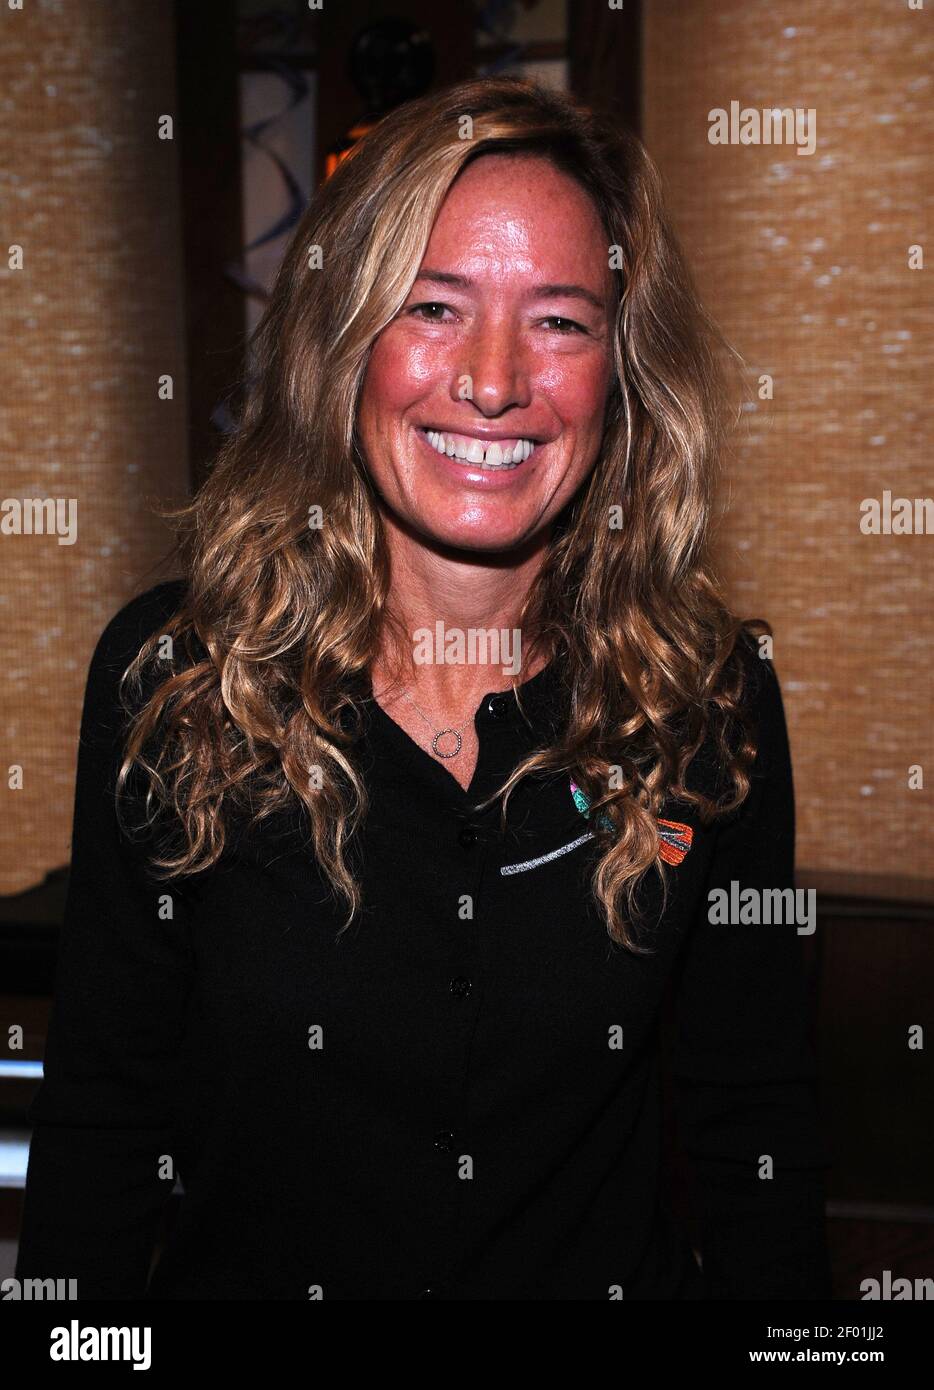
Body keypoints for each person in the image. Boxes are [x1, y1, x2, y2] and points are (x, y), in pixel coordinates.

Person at [15, 76, 832, 1300]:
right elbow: (100, 1133)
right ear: (342, 337)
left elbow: (752, 1130)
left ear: (621, 372)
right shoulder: (180, 681)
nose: (492, 380)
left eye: (559, 321)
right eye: (433, 306)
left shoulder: (704, 701)